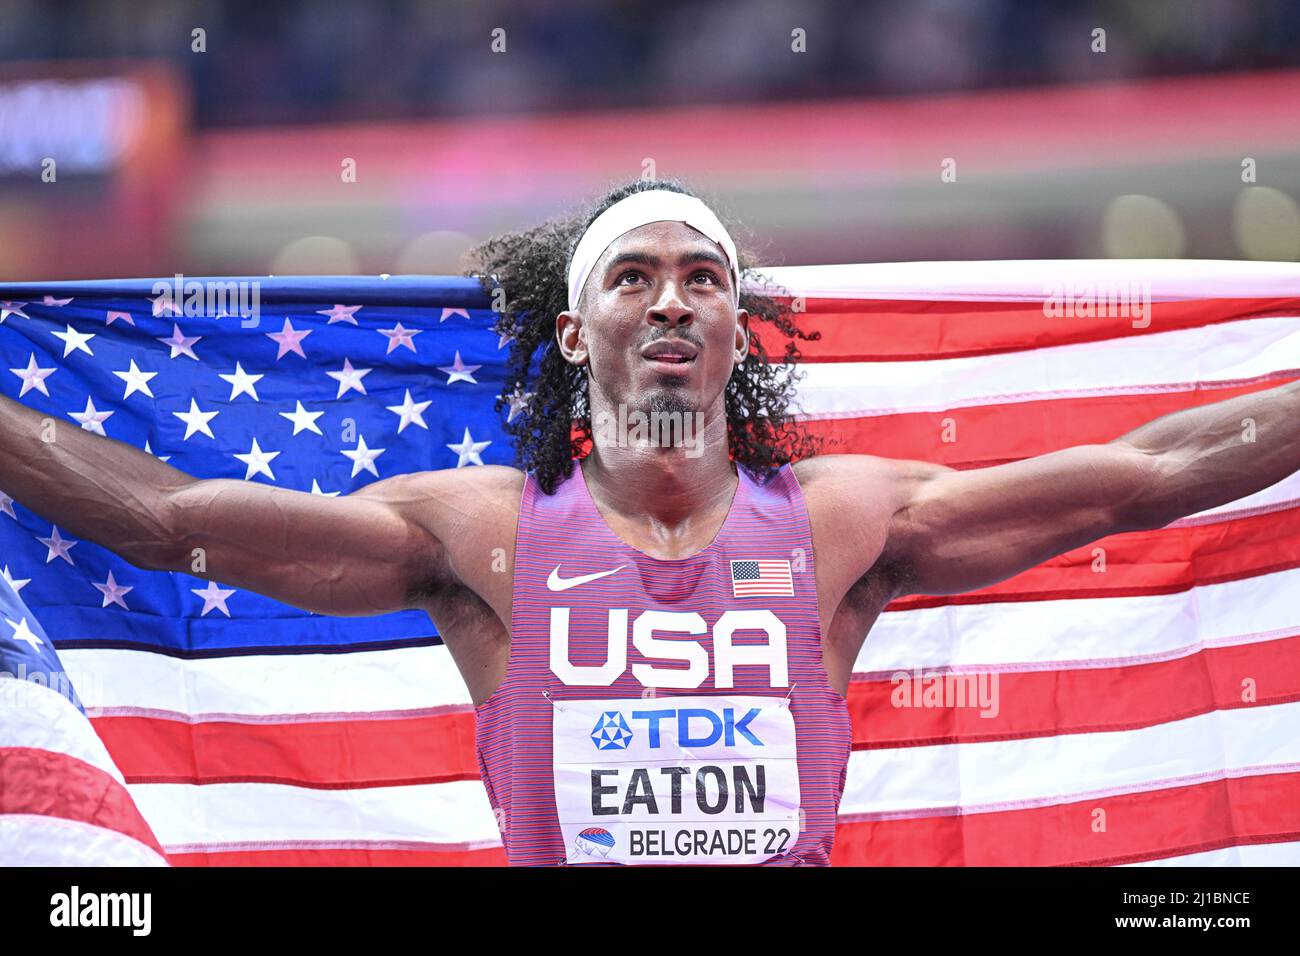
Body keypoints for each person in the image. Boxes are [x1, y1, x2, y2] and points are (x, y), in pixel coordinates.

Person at [1, 178, 1297, 866]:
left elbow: (1140, 473)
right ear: (578, 329)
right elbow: (170, 521)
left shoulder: (844, 523)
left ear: (741, 327)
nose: (671, 301)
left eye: (703, 279)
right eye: (635, 275)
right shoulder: (481, 536)